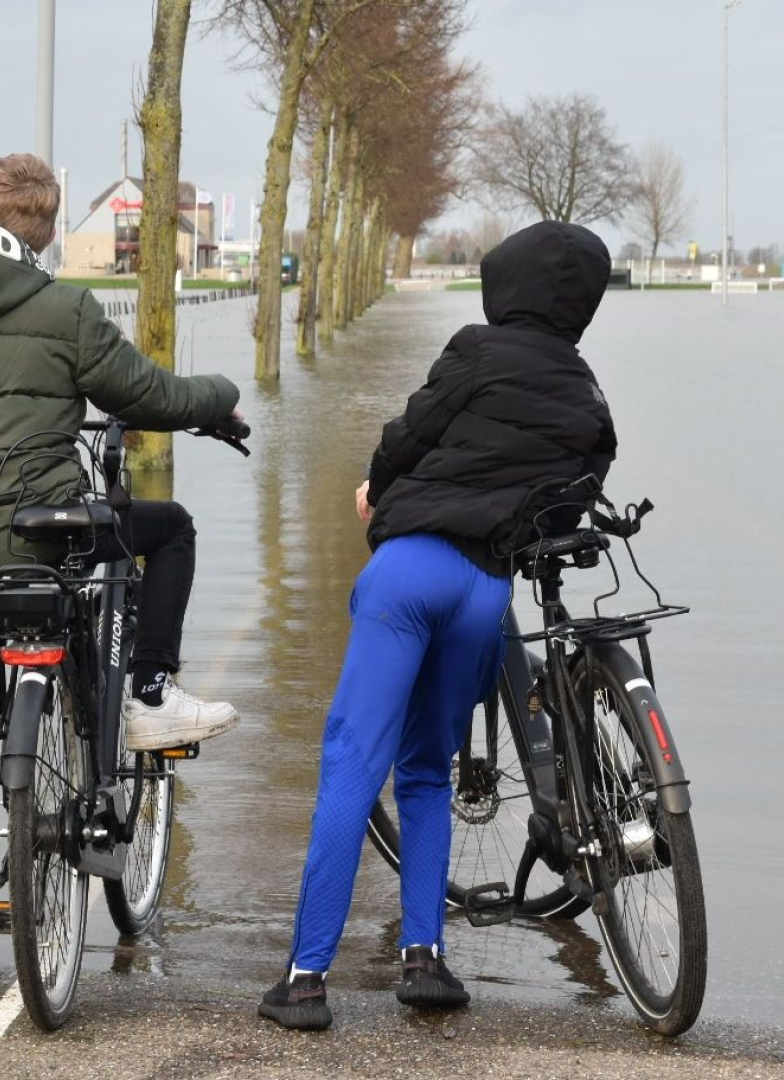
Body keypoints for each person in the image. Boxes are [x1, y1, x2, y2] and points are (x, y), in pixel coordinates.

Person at [0, 153, 243, 982]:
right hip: (51, 540)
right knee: (167, 529)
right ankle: (147, 693)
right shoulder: (62, 310)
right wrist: (221, 397)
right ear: (40, 229)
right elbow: (150, 396)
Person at [259, 222, 619, 1030]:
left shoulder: (476, 349)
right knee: (426, 772)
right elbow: (583, 479)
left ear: (506, 283)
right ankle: (425, 962)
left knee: (352, 763)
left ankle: (307, 977)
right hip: (486, 592)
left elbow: (413, 431)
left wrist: (375, 491)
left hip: (410, 571)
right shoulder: (584, 385)